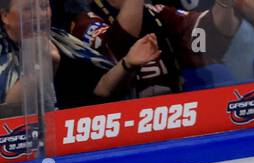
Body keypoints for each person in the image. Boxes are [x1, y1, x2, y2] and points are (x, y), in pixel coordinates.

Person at [0, 0, 159, 112]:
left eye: (44, 7)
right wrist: (44, 66)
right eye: (28, 9)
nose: (39, 14)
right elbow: (10, 109)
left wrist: (128, 63)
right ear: (5, 15)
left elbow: (101, 88)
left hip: (76, 139)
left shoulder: (64, 42)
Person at [73, 0, 241, 97]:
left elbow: (209, 33)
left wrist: (224, 4)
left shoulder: (157, 13)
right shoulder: (84, 22)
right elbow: (119, 44)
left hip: (176, 113)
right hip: (123, 124)